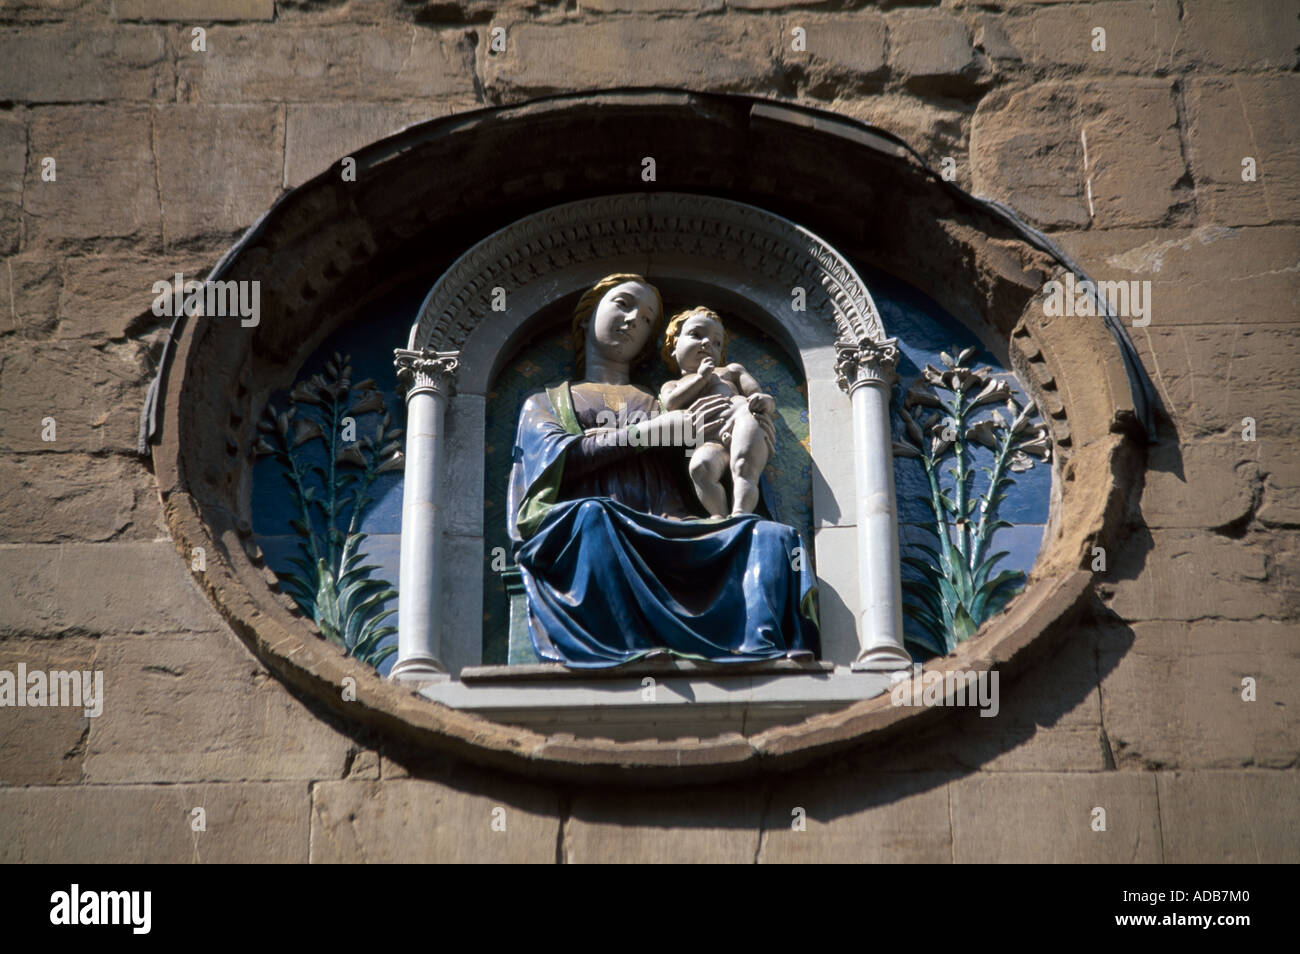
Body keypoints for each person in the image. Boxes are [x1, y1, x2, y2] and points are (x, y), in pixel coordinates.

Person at [506, 273, 820, 667]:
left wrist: (740, 429)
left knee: (769, 537)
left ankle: (762, 649)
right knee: (593, 516)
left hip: (671, 522)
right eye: (623, 305)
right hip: (596, 523)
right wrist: (652, 432)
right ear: (586, 316)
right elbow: (556, 459)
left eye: (646, 320)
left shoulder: (662, 400)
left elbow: (700, 462)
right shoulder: (548, 401)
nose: (634, 320)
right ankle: (626, 649)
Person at [660, 306, 776, 517]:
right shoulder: (672, 384)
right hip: (710, 437)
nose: (707, 343)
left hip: (742, 417)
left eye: (716, 343)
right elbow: (671, 404)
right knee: (701, 468)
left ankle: (741, 513)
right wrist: (700, 378)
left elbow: (759, 395)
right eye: (696, 335)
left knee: (744, 467)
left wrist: (764, 403)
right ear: (674, 345)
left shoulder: (731, 371)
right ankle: (719, 518)